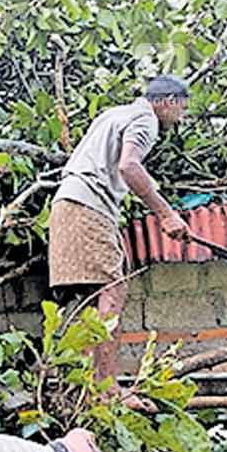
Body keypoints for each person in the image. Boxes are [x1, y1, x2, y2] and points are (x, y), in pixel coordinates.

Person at [49, 75, 191, 411]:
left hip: (65, 206)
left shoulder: (113, 114)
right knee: (113, 290)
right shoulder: (145, 120)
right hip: (88, 206)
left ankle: (86, 387)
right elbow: (129, 166)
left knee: (90, 298)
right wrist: (166, 215)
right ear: (167, 101)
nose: (181, 118)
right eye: (181, 109)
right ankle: (108, 388)